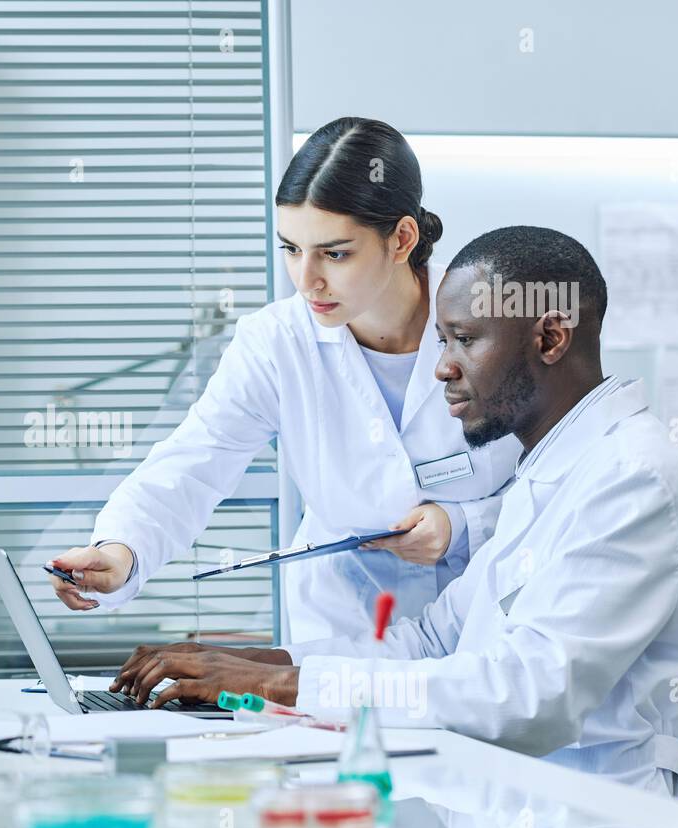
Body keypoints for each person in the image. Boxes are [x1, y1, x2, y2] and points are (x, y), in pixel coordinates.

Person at [111, 225, 678, 795]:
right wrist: (254, 663)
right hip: (503, 802)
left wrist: (284, 685)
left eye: (464, 339)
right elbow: (436, 639)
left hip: (589, 826)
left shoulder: (631, 479)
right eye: (442, 339)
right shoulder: (553, 470)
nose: (442, 368)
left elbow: (527, 698)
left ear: (550, 337)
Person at [47, 117, 520, 643]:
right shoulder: (276, 342)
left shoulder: (496, 320)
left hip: (488, 615)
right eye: (291, 249)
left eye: (335, 253)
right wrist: (120, 551)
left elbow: (565, 480)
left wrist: (464, 525)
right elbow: (195, 460)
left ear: (402, 238)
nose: (306, 280)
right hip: (346, 626)